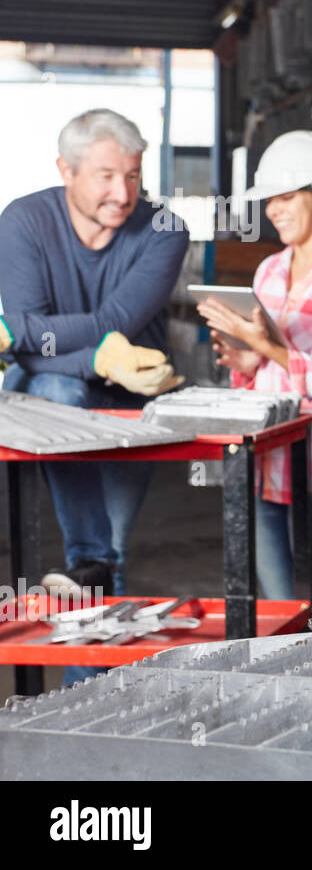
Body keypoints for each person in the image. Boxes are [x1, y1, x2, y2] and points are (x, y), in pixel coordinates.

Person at [0, 108, 186, 685]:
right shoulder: (24, 221)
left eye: (132, 176)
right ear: (66, 170)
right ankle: (87, 564)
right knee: (57, 383)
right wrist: (93, 354)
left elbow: (110, 320)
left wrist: (18, 334)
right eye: (106, 176)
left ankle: (94, 695)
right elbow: (42, 346)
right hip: (47, 406)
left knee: (114, 553)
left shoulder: (164, 229)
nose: (121, 192)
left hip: (126, 411)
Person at [197, 130, 312, 628]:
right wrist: (244, 361)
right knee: (282, 614)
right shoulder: (268, 272)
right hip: (266, 462)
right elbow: (266, 372)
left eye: (286, 198)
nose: (274, 210)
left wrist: (263, 345)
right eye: (270, 201)